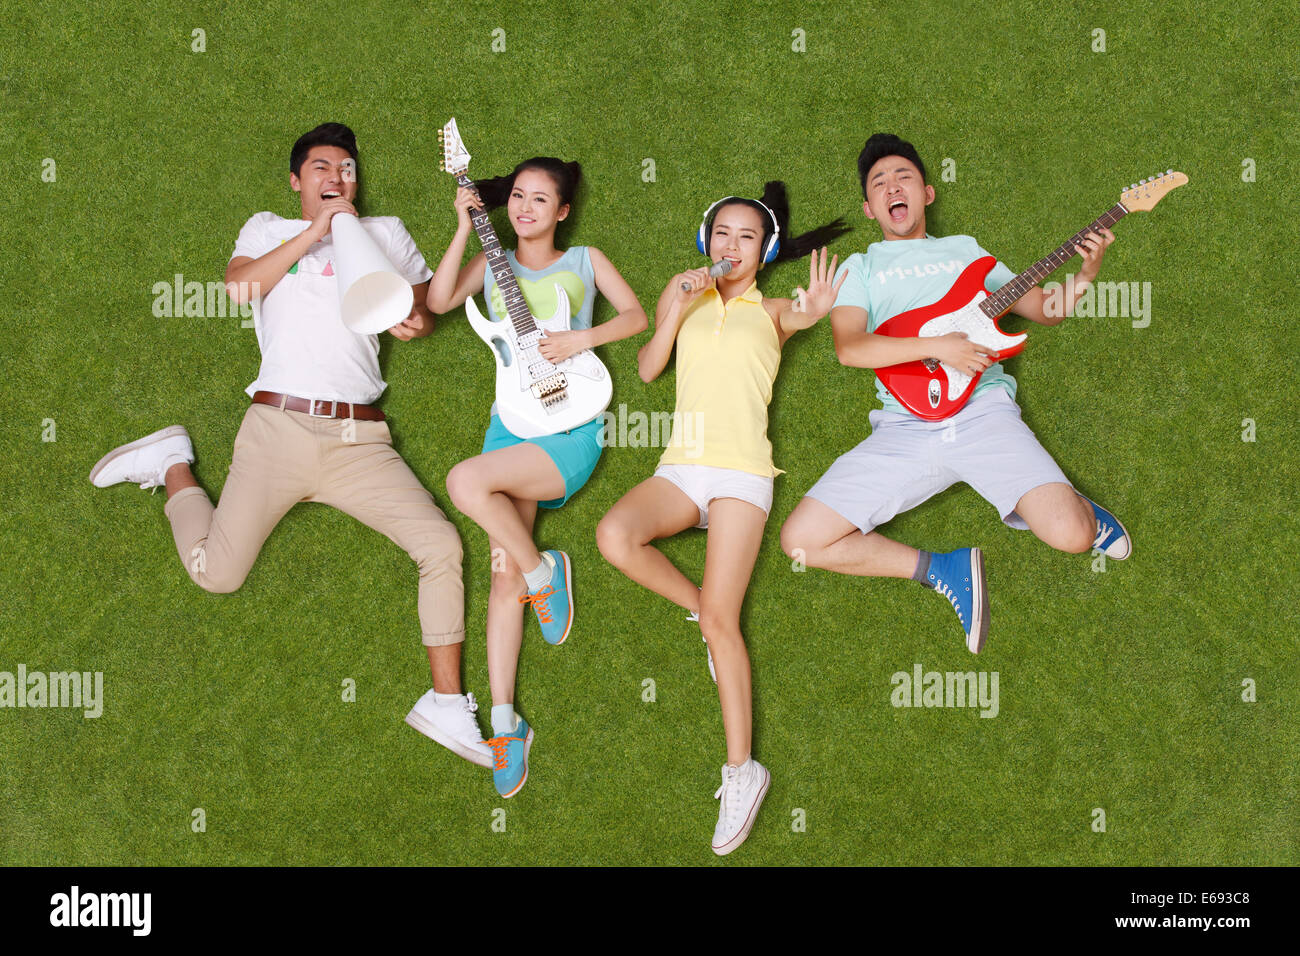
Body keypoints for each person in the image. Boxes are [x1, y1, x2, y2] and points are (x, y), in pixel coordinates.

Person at [88, 123, 492, 769]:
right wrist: (315, 234)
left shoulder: (385, 233)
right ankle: (171, 463)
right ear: (298, 181)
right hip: (277, 428)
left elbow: (417, 315)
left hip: (360, 438)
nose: (339, 177)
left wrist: (413, 317)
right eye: (323, 167)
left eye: (349, 169)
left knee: (441, 545)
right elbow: (239, 288)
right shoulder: (268, 229)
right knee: (216, 575)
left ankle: (445, 703)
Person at [780, 133, 1132, 654]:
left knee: (1074, 537)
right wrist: (939, 346)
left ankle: (1074, 506)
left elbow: (1046, 309)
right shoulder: (861, 268)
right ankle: (942, 569)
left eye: (903, 177)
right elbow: (851, 348)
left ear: (927, 193)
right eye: (879, 183)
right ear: (870, 208)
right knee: (801, 542)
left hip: (982, 415)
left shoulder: (969, 254)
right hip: (904, 427)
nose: (892, 186)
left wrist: (1087, 273)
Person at [596, 183, 849, 855]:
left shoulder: (772, 309)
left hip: (741, 476)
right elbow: (649, 369)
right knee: (614, 536)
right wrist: (673, 309)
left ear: (763, 251)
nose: (729, 246)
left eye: (744, 237)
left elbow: (804, 315)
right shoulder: (684, 297)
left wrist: (817, 308)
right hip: (681, 469)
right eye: (720, 235)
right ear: (705, 242)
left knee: (723, 622)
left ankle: (743, 770)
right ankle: (697, 608)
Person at [427, 157, 647, 798]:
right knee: (501, 573)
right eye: (516, 196)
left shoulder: (584, 261)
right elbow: (439, 301)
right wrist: (467, 225)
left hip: (571, 424)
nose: (524, 207)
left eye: (539, 198)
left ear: (562, 211)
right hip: (510, 424)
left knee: (463, 483)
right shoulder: (493, 266)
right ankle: (504, 721)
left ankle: (545, 574)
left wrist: (582, 341)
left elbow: (636, 317)